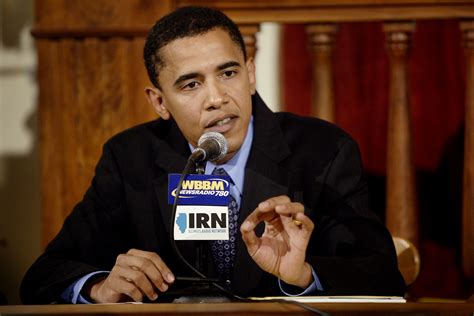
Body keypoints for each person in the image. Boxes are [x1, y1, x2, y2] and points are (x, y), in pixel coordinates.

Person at [20, 6, 405, 304]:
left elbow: (383, 275)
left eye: (228, 73)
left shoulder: (322, 151)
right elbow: (44, 275)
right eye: (191, 84)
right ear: (159, 102)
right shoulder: (129, 158)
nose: (217, 98)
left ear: (251, 73)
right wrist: (99, 287)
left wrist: (303, 276)